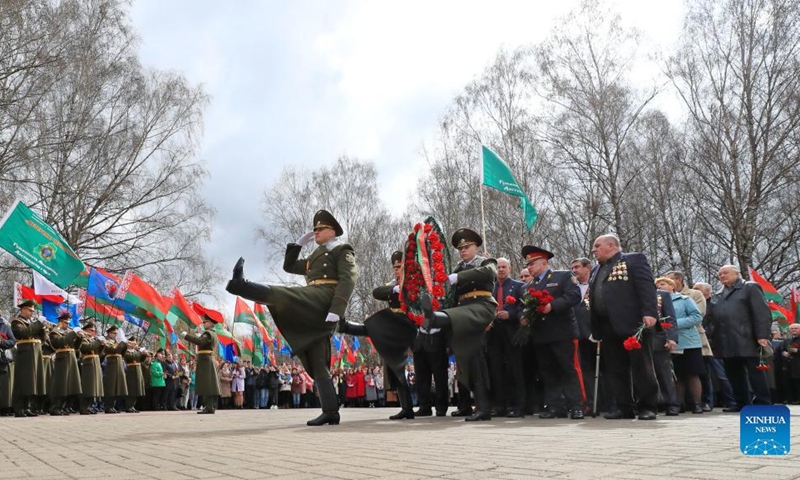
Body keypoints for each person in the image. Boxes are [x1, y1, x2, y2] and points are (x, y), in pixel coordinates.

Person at [226, 209, 357, 426]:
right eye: (314, 229)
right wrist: (298, 244)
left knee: (285, 295)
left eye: (320, 229)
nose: (315, 232)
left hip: (324, 299)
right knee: (317, 362)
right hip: (313, 303)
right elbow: (289, 266)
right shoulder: (315, 255)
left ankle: (242, 286)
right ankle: (331, 411)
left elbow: (348, 279)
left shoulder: (342, 250)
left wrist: (338, 309)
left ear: (332, 232)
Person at [421, 228, 498, 421]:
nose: (463, 250)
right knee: (467, 360)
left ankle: (484, 408)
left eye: (467, 246)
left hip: (480, 307)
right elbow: (452, 297)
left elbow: (489, 274)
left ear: (476, 246)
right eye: (460, 248)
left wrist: (460, 277)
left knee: (477, 359)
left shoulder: (486, 262)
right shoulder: (456, 268)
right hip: (462, 312)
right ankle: (468, 406)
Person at [338, 250, 420, 419]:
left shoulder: (414, 282)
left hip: (407, 326)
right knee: (394, 369)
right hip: (392, 327)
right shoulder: (393, 284)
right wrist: (395, 288)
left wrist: (403, 287)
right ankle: (406, 408)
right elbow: (377, 292)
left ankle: (345, 326)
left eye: (400, 267)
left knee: (402, 366)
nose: (397, 270)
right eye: (395, 267)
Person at [588, 234, 660, 420]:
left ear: (611, 245)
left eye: (597, 246)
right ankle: (623, 407)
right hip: (607, 326)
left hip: (633, 324)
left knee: (641, 367)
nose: (593, 250)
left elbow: (646, 287)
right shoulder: (597, 269)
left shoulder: (633, 260)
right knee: (615, 369)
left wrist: (650, 312)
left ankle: (647, 406)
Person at [521, 246, 583, 420]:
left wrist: (552, 306)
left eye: (532, 263)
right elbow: (527, 307)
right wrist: (525, 317)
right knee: (548, 372)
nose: (530, 267)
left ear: (544, 262)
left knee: (567, 369)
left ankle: (576, 405)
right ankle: (555, 406)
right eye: (528, 264)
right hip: (541, 335)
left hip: (561, 332)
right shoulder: (529, 286)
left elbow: (573, 296)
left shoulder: (562, 276)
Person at [705, 265, 772, 410]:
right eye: (720, 274)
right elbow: (709, 318)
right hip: (724, 340)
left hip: (748, 338)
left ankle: (763, 402)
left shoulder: (750, 287)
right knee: (733, 374)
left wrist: (762, 335)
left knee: (755, 373)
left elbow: (761, 312)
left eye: (726, 273)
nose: (722, 276)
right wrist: (712, 333)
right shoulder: (717, 295)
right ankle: (741, 403)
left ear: (737, 273)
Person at [486, 258, 525, 417]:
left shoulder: (518, 286)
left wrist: (511, 314)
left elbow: (524, 306)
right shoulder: (489, 287)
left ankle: (518, 405)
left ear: (510, 268)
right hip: (494, 332)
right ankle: (499, 405)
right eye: (498, 267)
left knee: (515, 369)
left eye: (503, 267)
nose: (501, 270)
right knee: (495, 369)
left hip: (511, 331)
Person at [10, 300, 46, 417]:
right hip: (24, 354)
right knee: (23, 381)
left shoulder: (31, 322)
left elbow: (43, 340)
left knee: (32, 382)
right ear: (23, 309)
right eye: (30, 310)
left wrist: (43, 328)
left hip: (34, 354)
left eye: (32, 311)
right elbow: (24, 333)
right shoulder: (16, 322)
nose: (32, 313)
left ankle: (27, 407)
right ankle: (19, 408)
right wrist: (38, 324)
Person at [182, 314, 222, 414]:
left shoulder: (208, 333)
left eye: (205, 322)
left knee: (208, 385)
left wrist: (186, 336)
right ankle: (210, 407)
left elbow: (200, 342)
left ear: (211, 323)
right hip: (208, 359)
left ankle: (208, 407)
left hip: (206, 360)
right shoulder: (212, 333)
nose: (204, 323)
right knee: (210, 385)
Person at [48, 312, 83, 415]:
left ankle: (63, 407)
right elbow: (60, 342)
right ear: (60, 322)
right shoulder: (55, 332)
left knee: (69, 385)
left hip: (71, 359)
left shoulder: (68, 332)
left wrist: (79, 338)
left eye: (68, 322)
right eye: (65, 322)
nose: (67, 324)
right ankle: (55, 407)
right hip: (62, 359)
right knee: (61, 385)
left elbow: (76, 347)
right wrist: (73, 334)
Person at [79, 321, 104, 414]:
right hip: (88, 364)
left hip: (95, 363)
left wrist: (102, 345)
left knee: (94, 387)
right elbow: (87, 348)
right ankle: (83, 407)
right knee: (88, 386)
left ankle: (88, 406)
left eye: (94, 330)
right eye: (91, 330)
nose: (93, 332)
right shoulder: (83, 339)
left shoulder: (93, 340)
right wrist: (98, 341)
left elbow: (98, 353)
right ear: (85, 330)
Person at [102, 325, 128, 413]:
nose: (115, 335)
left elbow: (122, 353)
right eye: (113, 333)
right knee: (110, 387)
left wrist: (125, 346)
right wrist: (121, 343)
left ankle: (112, 406)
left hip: (118, 365)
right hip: (111, 365)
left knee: (117, 387)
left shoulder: (116, 341)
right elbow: (113, 350)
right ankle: (108, 406)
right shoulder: (107, 341)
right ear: (109, 333)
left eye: (116, 333)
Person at [0, 313, 16, 417]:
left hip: (1, 360)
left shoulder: (5, 326)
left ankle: (3, 408)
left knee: (2, 385)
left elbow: (12, 341)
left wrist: (1, 342)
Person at [123, 343, 147, 413]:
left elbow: (141, 360)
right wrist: (139, 352)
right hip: (131, 372)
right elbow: (132, 357)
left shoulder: (135, 351)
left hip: (138, 371)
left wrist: (144, 354)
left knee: (136, 390)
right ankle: (128, 406)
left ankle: (132, 406)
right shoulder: (126, 351)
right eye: (133, 343)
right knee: (131, 390)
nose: (134, 345)